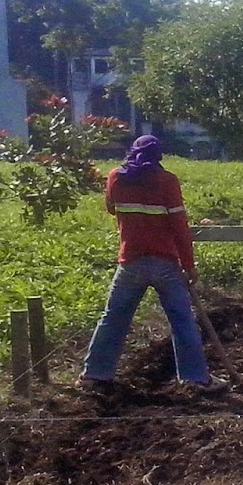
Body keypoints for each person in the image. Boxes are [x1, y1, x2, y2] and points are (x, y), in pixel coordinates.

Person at [78, 135, 222, 395]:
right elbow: (180, 228)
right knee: (183, 321)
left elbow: (112, 209)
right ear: (158, 156)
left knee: (113, 318)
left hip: (131, 262)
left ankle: (94, 375)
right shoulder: (167, 181)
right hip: (166, 264)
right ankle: (195, 379)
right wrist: (189, 265)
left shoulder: (115, 177)